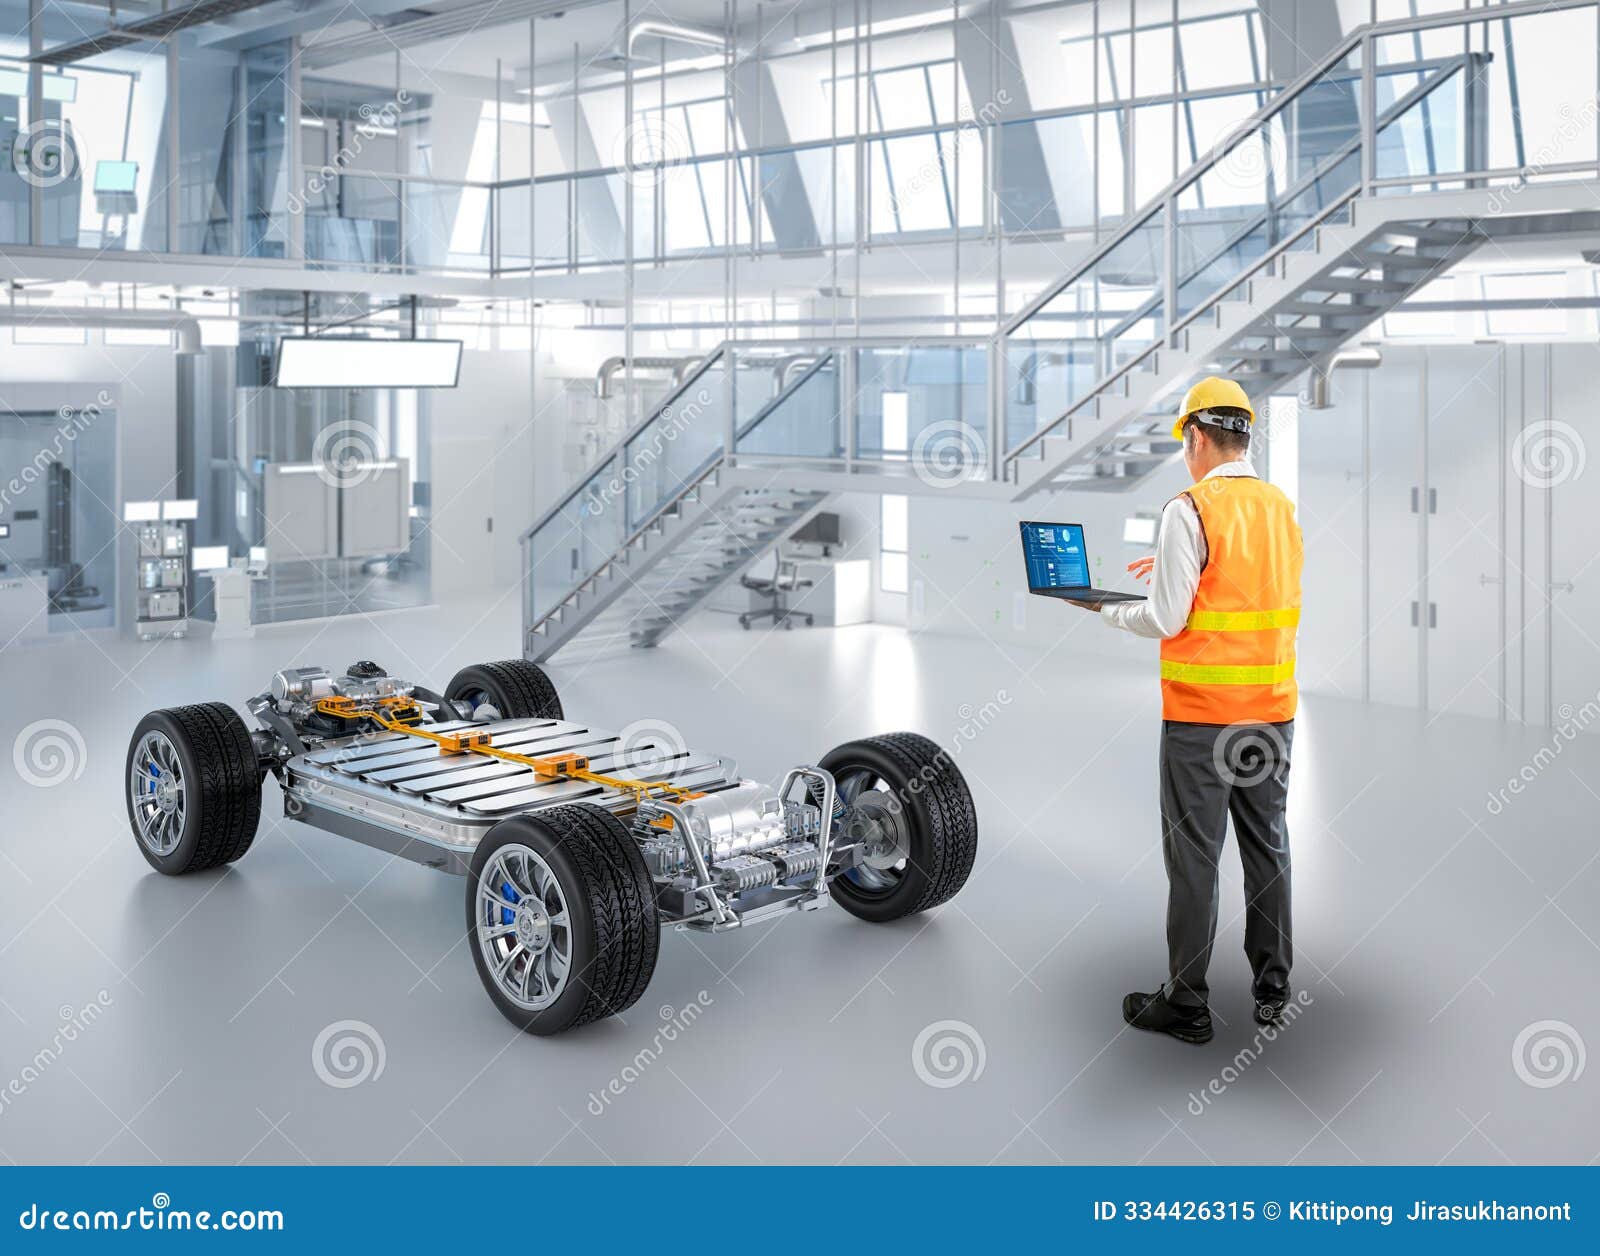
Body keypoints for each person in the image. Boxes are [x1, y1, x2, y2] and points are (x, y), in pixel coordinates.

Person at [1062, 377, 1302, 1044]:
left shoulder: (1189, 507)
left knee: (1195, 859)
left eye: (1185, 445)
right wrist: (1173, 570)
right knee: (1268, 848)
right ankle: (1274, 992)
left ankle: (1188, 1004)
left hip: (1202, 719)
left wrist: (1106, 607)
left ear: (1196, 436)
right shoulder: (1279, 507)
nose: (1186, 458)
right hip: (1272, 713)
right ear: (1244, 435)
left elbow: (1168, 619)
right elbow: (1245, 592)